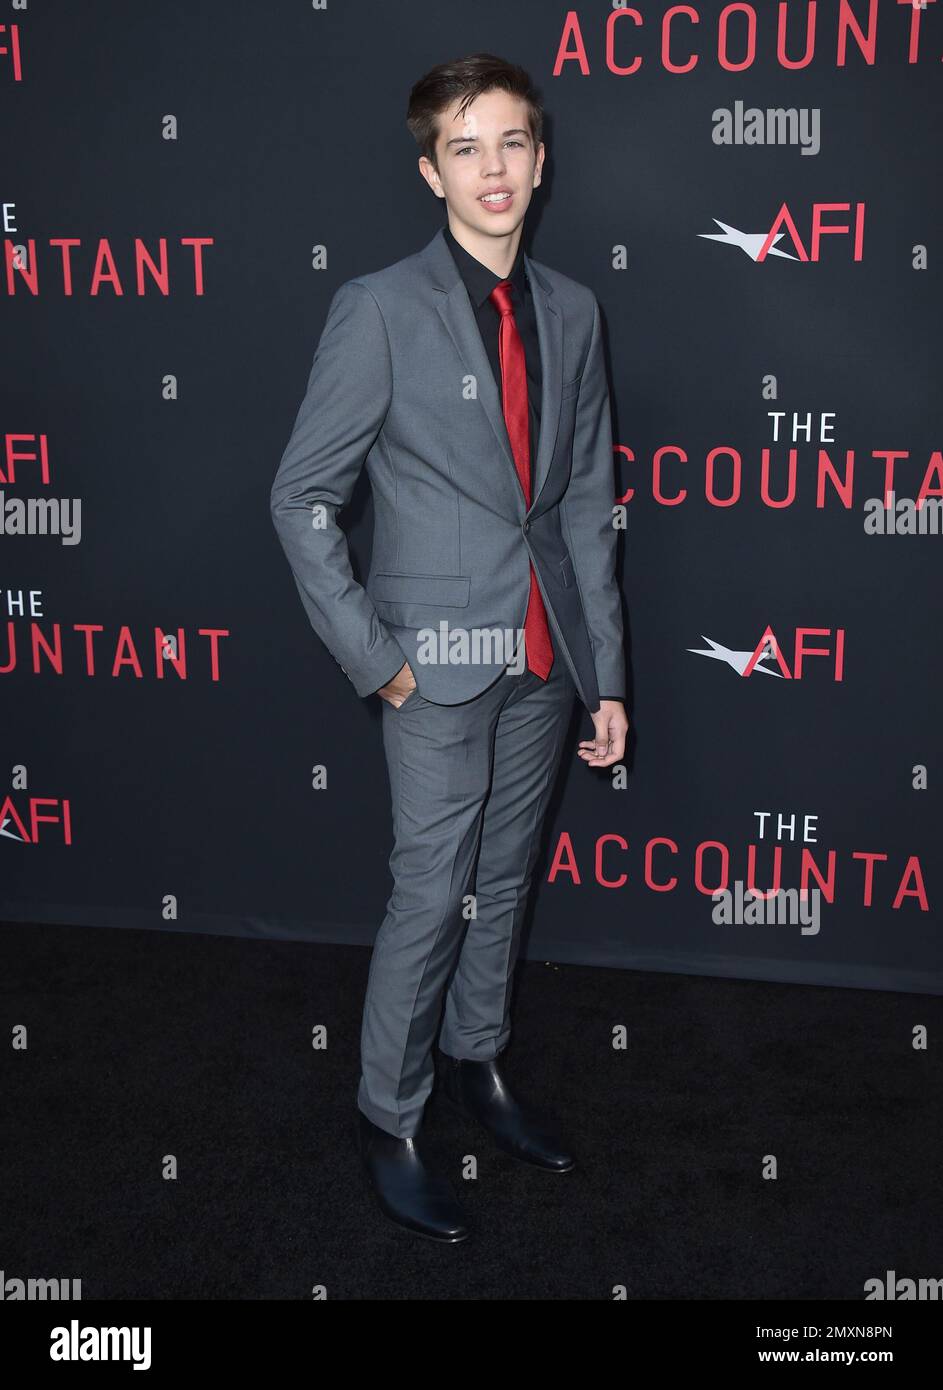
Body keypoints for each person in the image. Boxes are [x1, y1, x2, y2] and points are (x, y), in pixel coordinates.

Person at [269, 52, 629, 1243]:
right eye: (466, 148)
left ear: (540, 160)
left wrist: (603, 673)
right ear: (431, 170)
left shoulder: (574, 310)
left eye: (512, 142)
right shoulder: (377, 308)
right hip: (431, 663)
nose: (494, 168)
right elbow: (301, 498)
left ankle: (478, 1066)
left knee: (504, 883)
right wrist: (377, 657)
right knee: (430, 896)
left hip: (541, 661)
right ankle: (389, 1110)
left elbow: (579, 506)